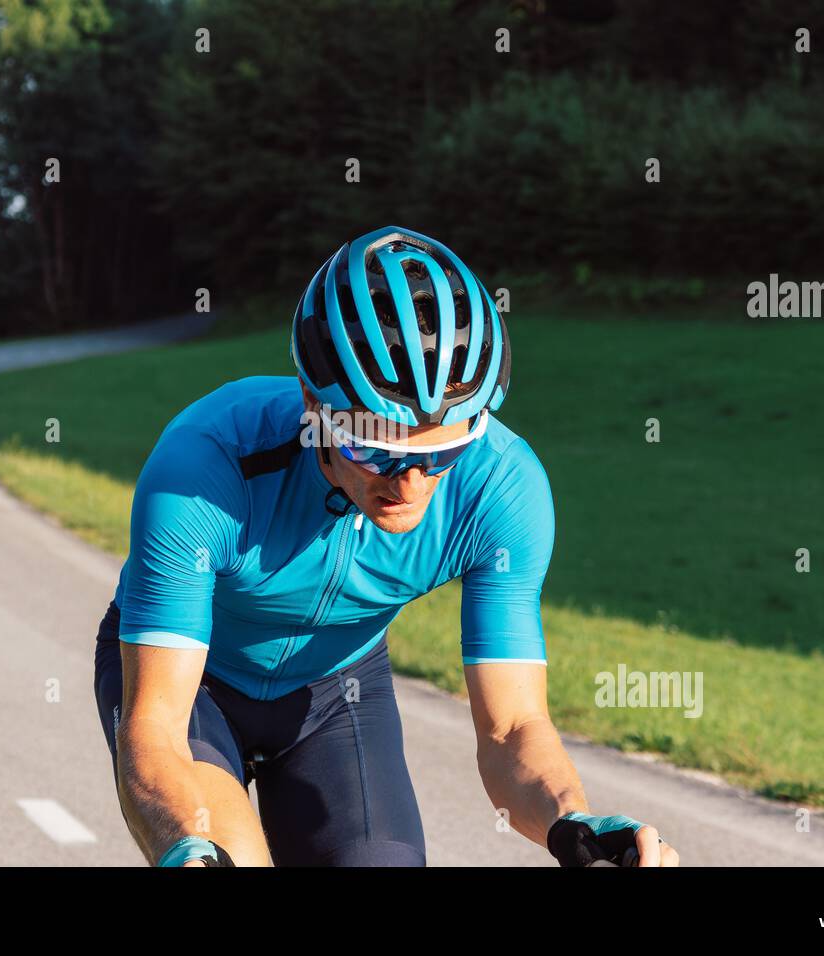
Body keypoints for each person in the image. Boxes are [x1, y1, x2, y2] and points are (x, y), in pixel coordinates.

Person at [93, 225, 678, 867]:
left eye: (441, 452)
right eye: (372, 448)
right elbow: (156, 733)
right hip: (193, 687)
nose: (410, 483)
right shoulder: (205, 469)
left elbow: (512, 729)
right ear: (314, 404)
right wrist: (186, 846)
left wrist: (576, 826)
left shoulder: (503, 490)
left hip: (336, 693)